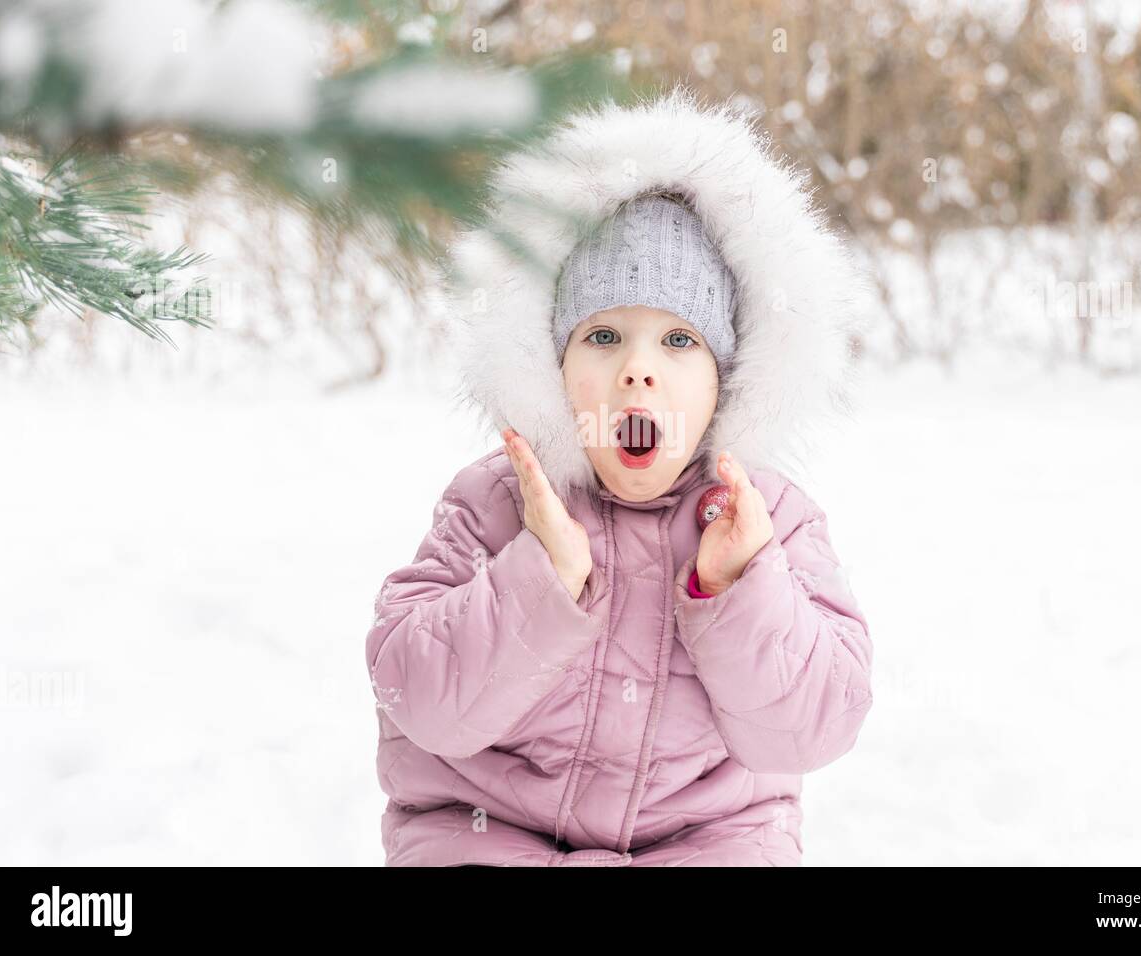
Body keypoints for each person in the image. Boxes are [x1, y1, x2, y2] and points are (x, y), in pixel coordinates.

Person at [365, 86, 873, 866]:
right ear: (551, 365)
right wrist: (542, 576)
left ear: (728, 380)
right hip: (490, 834)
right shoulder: (495, 502)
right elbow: (416, 699)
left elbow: (814, 725)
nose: (638, 372)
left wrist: (742, 587)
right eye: (603, 336)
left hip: (702, 842)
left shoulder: (768, 520)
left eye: (678, 342)